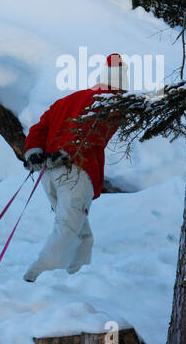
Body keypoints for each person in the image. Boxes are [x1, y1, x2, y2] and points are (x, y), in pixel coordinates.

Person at [21, 54, 124, 282]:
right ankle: (37, 278)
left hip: (49, 174)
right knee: (67, 228)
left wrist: (35, 152)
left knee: (82, 235)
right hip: (76, 171)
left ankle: (78, 279)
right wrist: (68, 152)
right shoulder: (111, 102)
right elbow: (93, 132)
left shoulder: (68, 100)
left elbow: (40, 127)